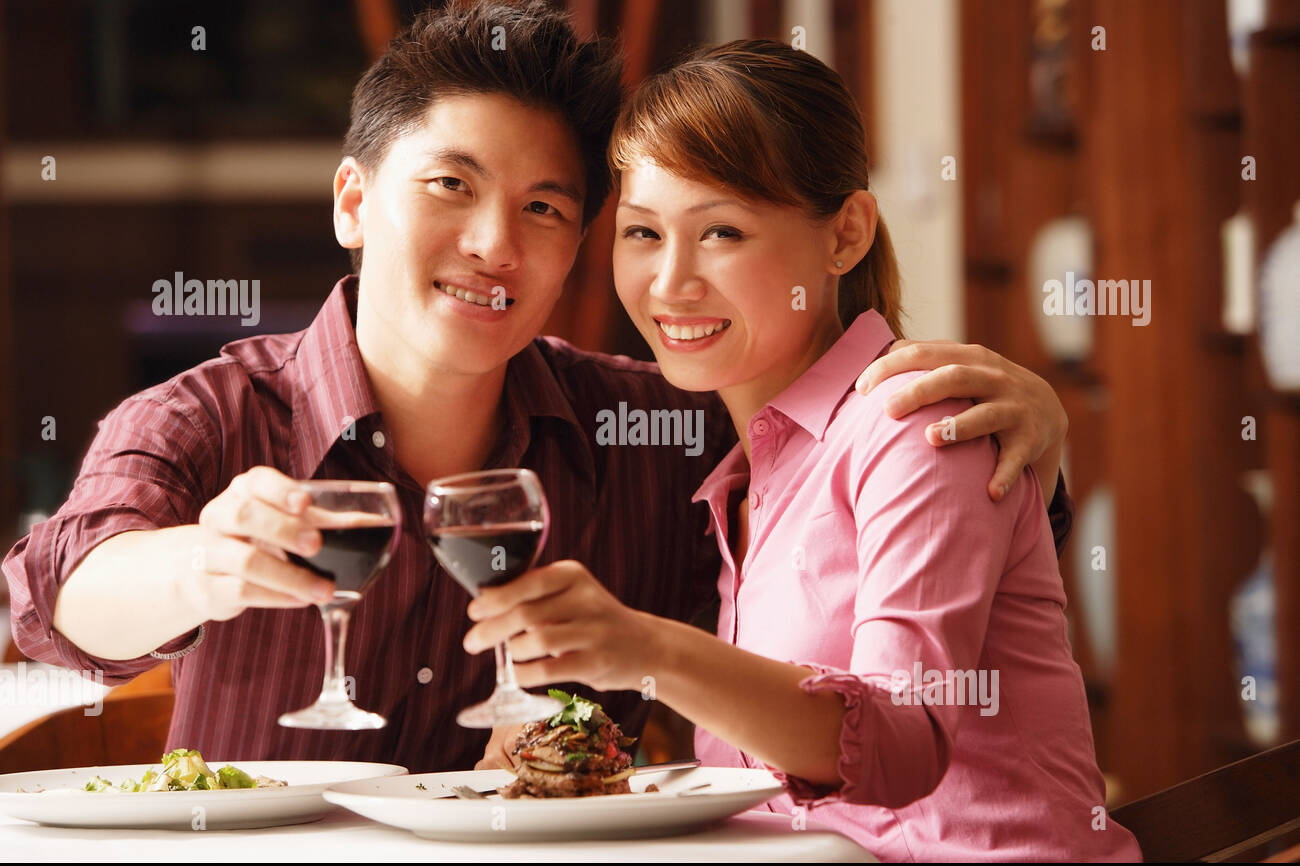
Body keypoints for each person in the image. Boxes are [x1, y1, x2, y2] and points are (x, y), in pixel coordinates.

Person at [4, 2, 1070, 775]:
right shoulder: (213, 414)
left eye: (545, 210)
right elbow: (54, 597)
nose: (491, 244)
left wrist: (1034, 432)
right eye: (450, 186)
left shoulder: (661, 429)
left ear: (573, 251)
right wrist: (200, 562)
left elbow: (867, 529)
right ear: (353, 201)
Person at [461, 38, 1140, 861]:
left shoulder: (915, 428)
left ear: (845, 234)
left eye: (722, 232)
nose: (671, 281)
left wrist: (649, 650)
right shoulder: (734, 464)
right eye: (642, 232)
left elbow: (900, 745)